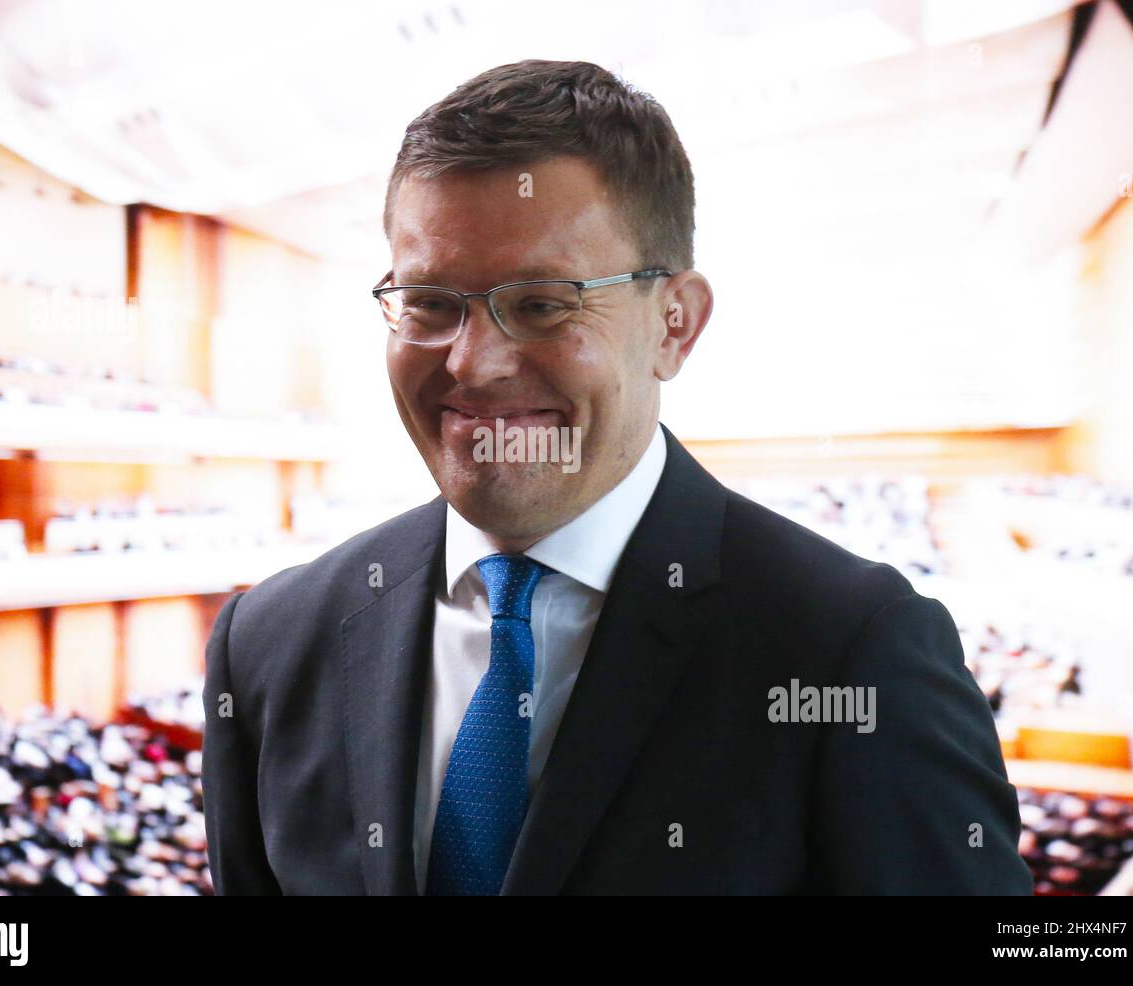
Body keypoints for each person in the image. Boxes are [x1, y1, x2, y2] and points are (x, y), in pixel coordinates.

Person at [202, 59, 1032, 895]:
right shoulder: (269, 644)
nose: (473, 363)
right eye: (429, 303)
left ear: (676, 325)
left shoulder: (850, 652)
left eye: (541, 304)